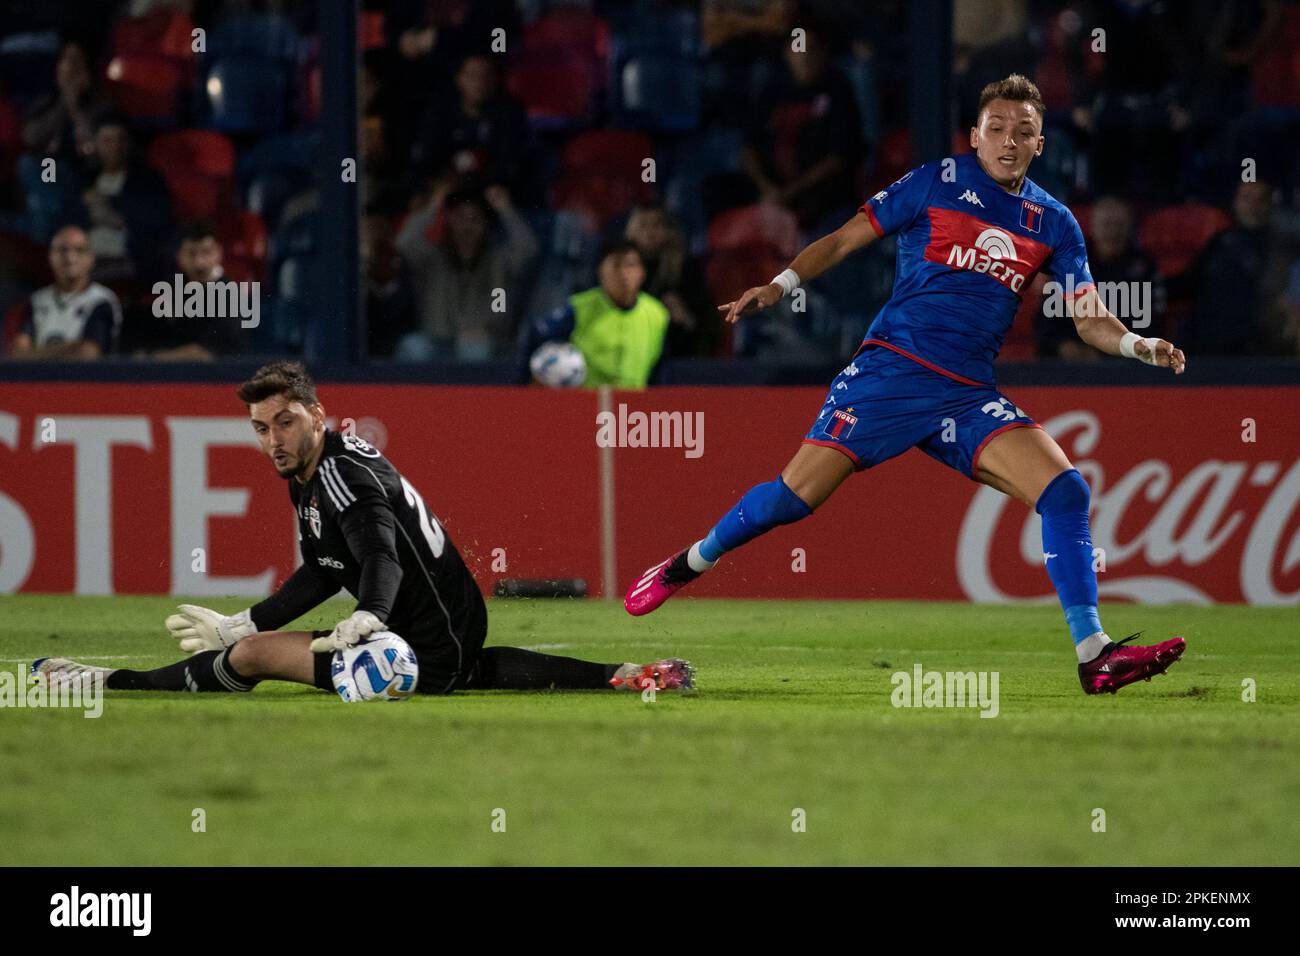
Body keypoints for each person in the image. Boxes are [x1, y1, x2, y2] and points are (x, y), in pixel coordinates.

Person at [623, 74, 1189, 697]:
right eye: (996, 129)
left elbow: (1087, 319)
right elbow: (842, 240)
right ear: (974, 136)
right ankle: (688, 562)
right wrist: (780, 287)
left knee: (1065, 494)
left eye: (1021, 132)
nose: (1007, 140)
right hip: (891, 373)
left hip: (968, 394)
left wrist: (1140, 344)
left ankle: (1094, 655)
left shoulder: (1054, 223)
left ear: (1039, 145)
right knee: (793, 500)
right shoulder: (935, 182)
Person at [32, 361, 692, 697]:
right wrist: (246, 619)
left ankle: (107, 683)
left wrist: (370, 614)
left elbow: (378, 547)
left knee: (252, 662)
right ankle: (627, 672)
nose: (273, 440)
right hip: (455, 631)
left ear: (317, 413)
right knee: (470, 671)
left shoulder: (339, 475)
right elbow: (327, 567)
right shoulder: (320, 469)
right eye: (261, 429)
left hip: (410, 646)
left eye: (285, 422)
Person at [394, 182, 537, 360]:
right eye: (460, 219)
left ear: (485, 224)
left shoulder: (497, 261)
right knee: (412, 347)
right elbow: (405, 243)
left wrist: (504, 209)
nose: (467, 227)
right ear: (450, 220)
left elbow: (527, 250)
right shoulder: (432, 258)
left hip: (480, 340)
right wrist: (435, 205)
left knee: (473, 350)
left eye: (474, 219)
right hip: (435, 338)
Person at [521, 238, 669, 388]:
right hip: (587, 404)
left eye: (630, 265)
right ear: (601, 270)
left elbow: (658, 368)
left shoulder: (657, 314)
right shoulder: (579, 309)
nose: (623, 273)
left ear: (642, 272)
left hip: (634, 407)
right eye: (615, 265)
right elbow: (537, 338)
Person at [125, 220, 246, 360]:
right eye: (191, 253)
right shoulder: (170, 289)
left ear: (218, 253)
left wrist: (157, 358)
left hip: (221, 377)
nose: (199, 262)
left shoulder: (230, 294)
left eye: (206, 252)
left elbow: (206, 352)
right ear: (179, 256)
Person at [7, 224, 121, 359]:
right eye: (62, 250)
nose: (70, 258)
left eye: (79, 250)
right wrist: (71, 347)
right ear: (50, 256)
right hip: (39, 379)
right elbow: (18, 353)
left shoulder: (101, 300)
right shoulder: (38, 300)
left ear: (91, 258)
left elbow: (88, 353)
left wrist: (37, 353)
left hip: (85, 379)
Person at [625, 203, 719, 357]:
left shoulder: (686, 269)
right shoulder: (620, 269)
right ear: (632, 231)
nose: (649, 233)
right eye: (643, 225)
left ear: (669, 231)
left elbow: (706, 325)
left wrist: (685, 318)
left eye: (656, 225)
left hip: (677, 353)